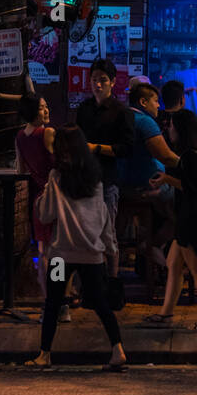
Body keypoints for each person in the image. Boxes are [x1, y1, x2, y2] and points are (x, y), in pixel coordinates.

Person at [26, 126, 127, 370]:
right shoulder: (95, 179)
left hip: (62, 255)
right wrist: (110, 247)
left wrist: (40, 200)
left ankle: (44, 355)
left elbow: (47, 214)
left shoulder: (56, 178)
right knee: (101, 304)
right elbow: (102, 217)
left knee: (53, 302)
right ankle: (118, 351)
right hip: (92, 255)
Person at [143, 108, 197, 330]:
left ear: (181, 129)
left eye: (171, 126)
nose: (168, 130)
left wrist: (167, 179)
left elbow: (191, 187)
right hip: (189, 219)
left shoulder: (189, 156)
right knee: (173, 264)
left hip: (192, 220)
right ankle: (166, 313)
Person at [120, 81, 181, 282]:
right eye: (155, 101)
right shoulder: (145, 121)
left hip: (125, 186)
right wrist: (189, 165)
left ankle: (152, 248)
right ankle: (155, 248)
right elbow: (165, 156)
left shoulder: (123, 117)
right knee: (185, 205)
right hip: (146, 187)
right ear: (143, 102)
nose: (158, 106)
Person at [75, 58, 136, 256]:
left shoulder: (122, 112)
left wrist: (97, 148)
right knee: (84, 232)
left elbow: (127, 149)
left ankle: (111, 281)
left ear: (112, 81)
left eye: (102, 80)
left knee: (107, 234)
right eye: (94, 80)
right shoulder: (84, 109)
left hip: (108, 178)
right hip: (85, 178)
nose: (97, 84)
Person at [15, 94, 57, 308]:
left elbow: (21, 170)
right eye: (42, 107)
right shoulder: (47, 133)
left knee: (43, 251)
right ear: (32, 111)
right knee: (56, 253)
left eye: (46, 106)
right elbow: (60, 166)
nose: (46, 110)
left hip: (37, 201)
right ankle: (59, 298)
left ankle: (47, 295)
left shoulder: (21, 136)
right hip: (55, 199)